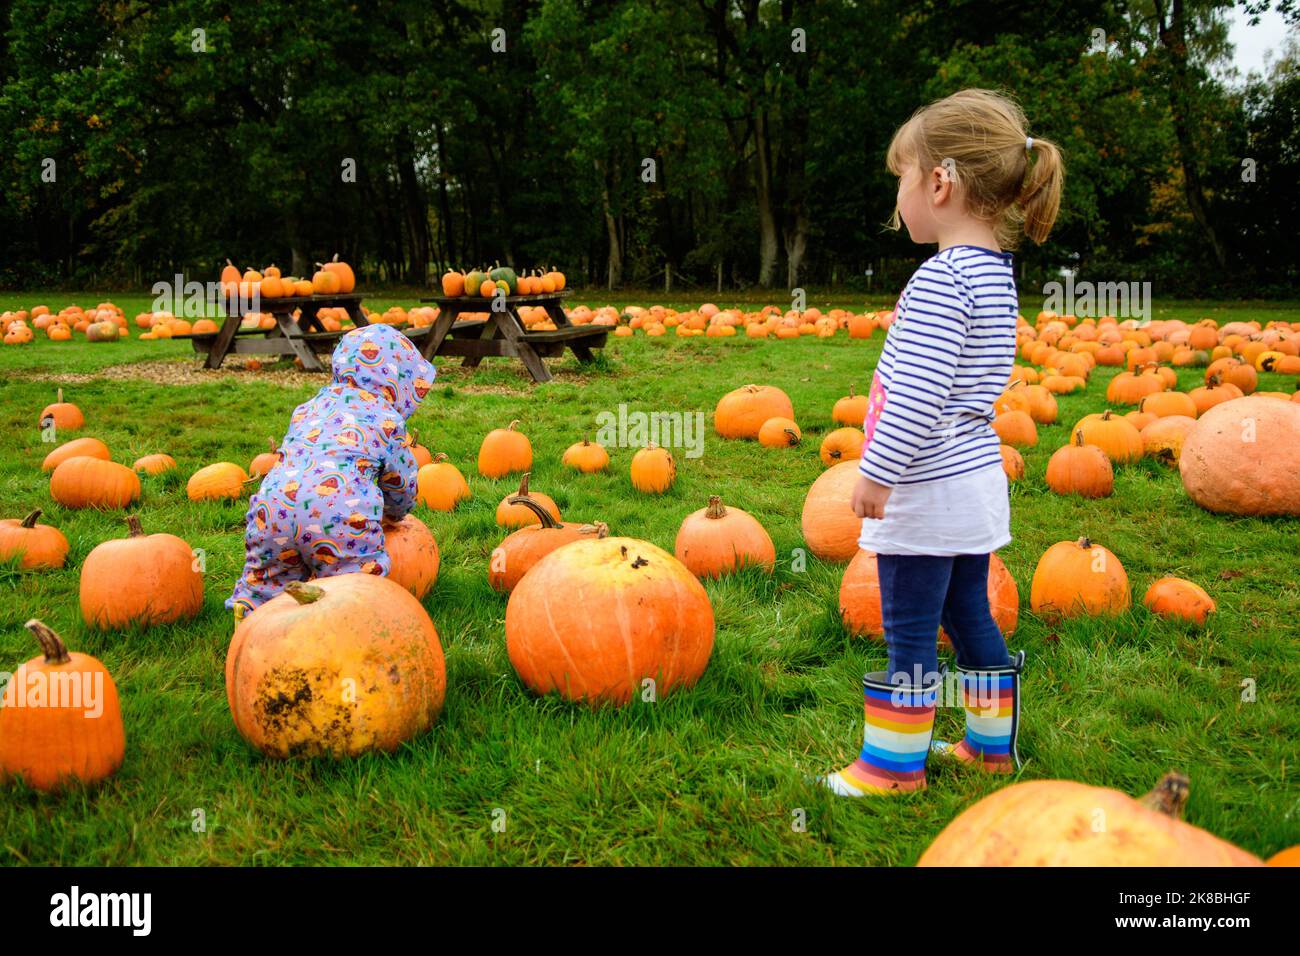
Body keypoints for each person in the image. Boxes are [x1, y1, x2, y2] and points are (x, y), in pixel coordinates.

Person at [822, 89, 1064, 797]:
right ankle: (991, 749)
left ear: (941, 182)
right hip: (972, 484)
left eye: (902, 178)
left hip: (926, 490)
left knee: (908, 632)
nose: (897, 198)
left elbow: (919, 393)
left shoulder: (940, 279)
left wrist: (877, 472)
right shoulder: (994, 274)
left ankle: (893, 768)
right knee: (969, 616)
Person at [227, 323, 437, 621]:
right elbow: (400, 483)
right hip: (340, 516)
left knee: (268, 587)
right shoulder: (387, 420)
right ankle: (348, 638)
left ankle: (249, 630)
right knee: (354, 592)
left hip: (272, 509)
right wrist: (396, 513)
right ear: (397, 383)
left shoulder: (307, 408)